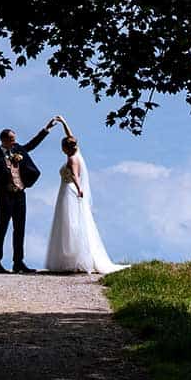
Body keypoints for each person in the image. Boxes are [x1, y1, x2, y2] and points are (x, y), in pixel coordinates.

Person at [44, 116, 124, 274]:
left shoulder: (73, 159)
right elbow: (70, 136)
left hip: (69, 191)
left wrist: (79, 188)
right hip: (68, 190)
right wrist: (64, 123)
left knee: (70, 223)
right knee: (71, 223)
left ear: (64, 148)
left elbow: (74, 175)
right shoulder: (77, 154)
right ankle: (71, 258)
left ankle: (73, 258)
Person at [0, 115, 58, 273]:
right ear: (3, 140)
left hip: (20, 194)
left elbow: (32, 144)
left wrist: (46, 129)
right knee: (1, 228)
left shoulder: (18, 149)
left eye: (14, 139)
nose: (14, 142)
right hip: (4, 196)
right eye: (11, 139)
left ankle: (18, 262)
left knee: (20, 228)